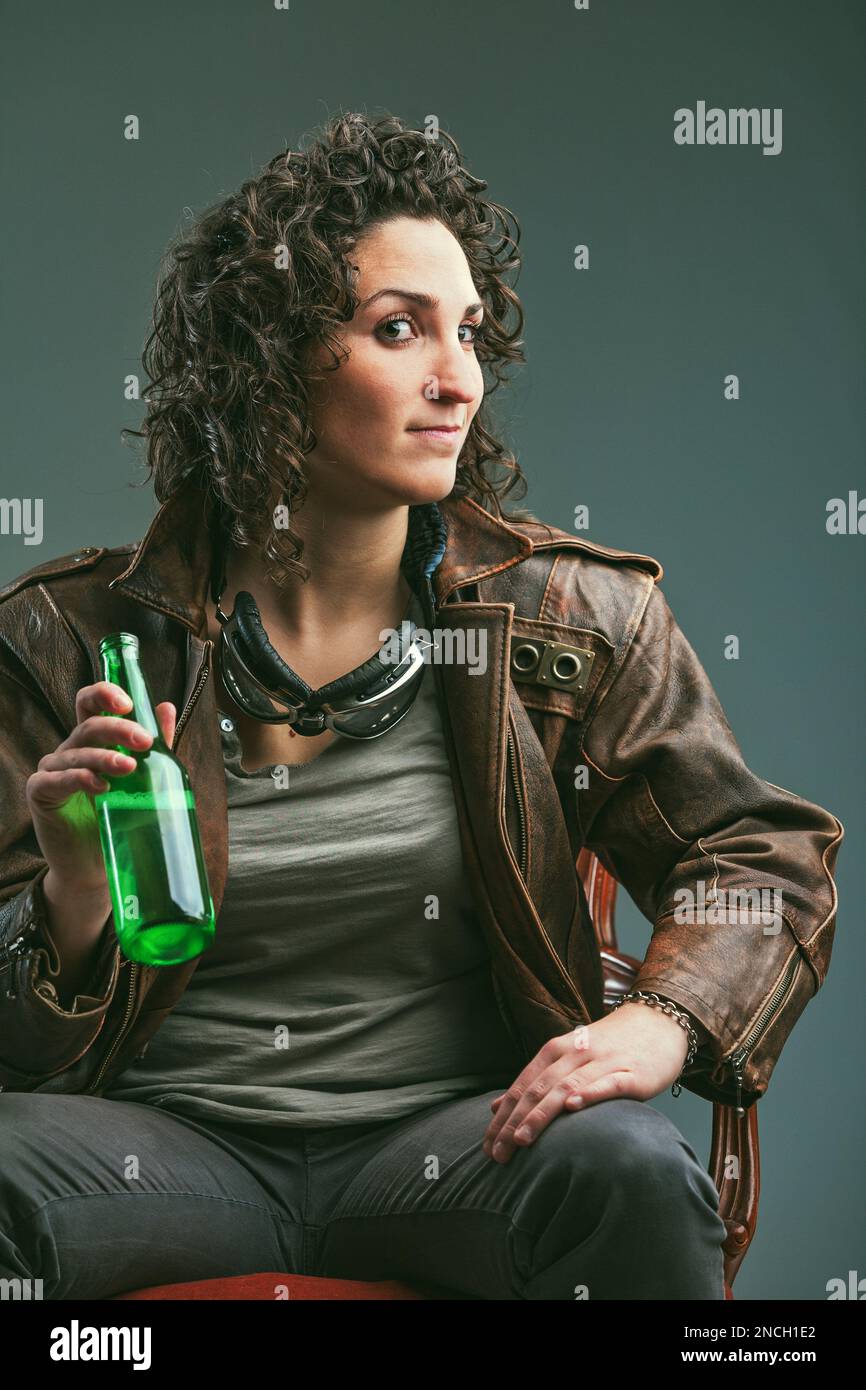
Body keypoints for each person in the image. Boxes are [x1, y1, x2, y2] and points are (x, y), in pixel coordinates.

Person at [0, 112, 843, 1301]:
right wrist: (70, 904)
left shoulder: (574, 620)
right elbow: (16, 1055)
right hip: (159, 1164)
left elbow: (757, 855)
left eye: (469, 331)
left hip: (455, 1155)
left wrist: (664, 1019)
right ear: (269, 360)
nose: (458, 377)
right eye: (399, 330)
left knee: (626, 1170)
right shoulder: (66, 637)